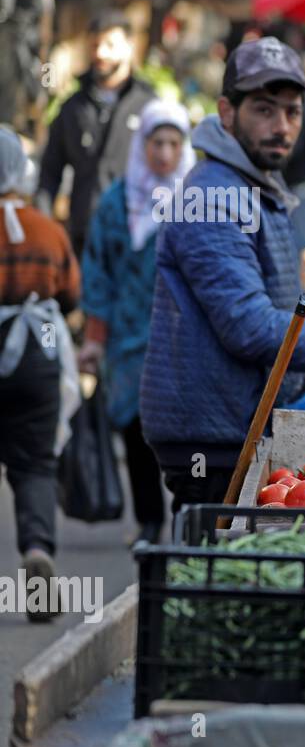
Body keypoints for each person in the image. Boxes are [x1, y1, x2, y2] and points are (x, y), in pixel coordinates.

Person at [139, 37, 305, 511]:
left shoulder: (254, 184)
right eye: (263, 110)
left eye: (292, 112)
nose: (281, 126)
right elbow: (250, 325)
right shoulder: (215, 199)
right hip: (213, 436)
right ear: (227, 111)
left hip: (237, 421)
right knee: (211, 569)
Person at [78, 100, 195, 546]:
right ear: (142, 145)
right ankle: (149, 519)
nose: (164, 152)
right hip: (128, 338)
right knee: (134, 428)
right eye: (156, 142)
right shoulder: (117, 201)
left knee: (183, 434)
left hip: (181, 339)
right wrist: (94, 338)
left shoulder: (195, 202)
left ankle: (186, 516)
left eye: (173, 142)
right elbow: (98, 270)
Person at [0, 128, 80, 621]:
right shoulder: (48, 229)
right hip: (40, 349)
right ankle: (37, 552)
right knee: (34, 465)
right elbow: (70, 296)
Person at [36, 10, 156, 255]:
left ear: (129, 46)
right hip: (83, 238)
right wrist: (44, 225)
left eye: (110, 44)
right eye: (95, 45)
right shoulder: (73, 108)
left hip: (136, 241)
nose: (101, 53)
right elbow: (50, 171)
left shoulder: (149, 107)